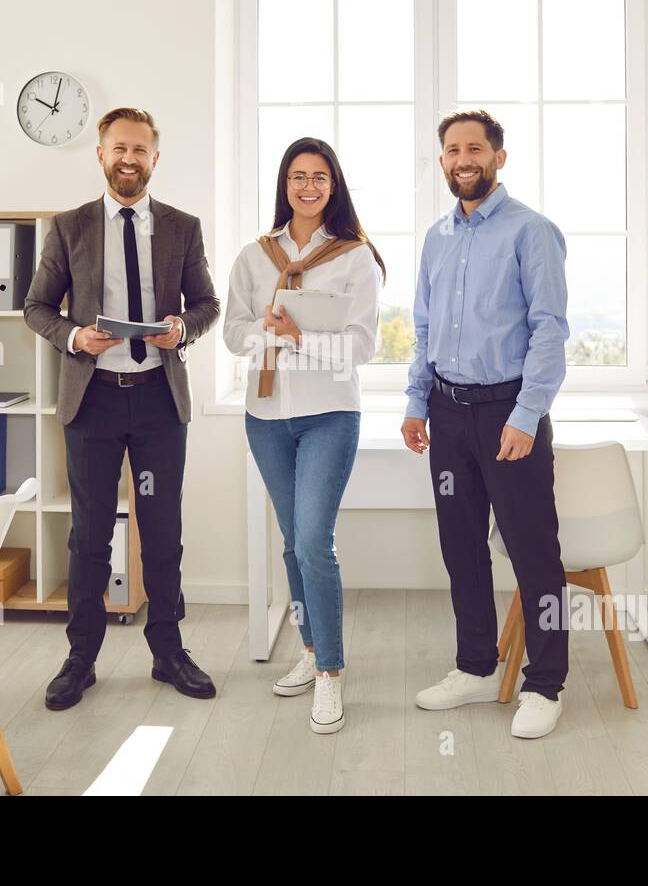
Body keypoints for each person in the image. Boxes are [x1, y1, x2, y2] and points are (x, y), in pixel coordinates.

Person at [23, 106, 221, 710]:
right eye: (119, 149)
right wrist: (76, 338)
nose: (129, 160)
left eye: (140, 150)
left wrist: (180, 329)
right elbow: (36, 308)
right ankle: (80, 657)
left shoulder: (182, 227)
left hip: (159, 400)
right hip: (94, 404)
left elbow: (207, 304)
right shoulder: (68, 227)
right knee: (88, 536)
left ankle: (168, 651)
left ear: (154, 159)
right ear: (101, 155)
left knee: (162, 532)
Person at [402, 110, 571, 739]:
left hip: (508, 414)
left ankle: (546, 683)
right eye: (451, 150)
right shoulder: (437, 238)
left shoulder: (533, 232)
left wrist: (527, 416)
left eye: (475, 148)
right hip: (447, 414)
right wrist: (417, 402)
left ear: (498, 157)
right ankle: (475, 666)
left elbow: (550, 333)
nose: (462, 158)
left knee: (533, 550)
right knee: (461, 545)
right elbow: (423, 329)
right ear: (442, 161)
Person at [223, 137, 384, 734]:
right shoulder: (254, 256)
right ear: (284, 185)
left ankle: (331, 675)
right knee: (291, 543)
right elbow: (233, 332)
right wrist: (263, 332)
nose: (308, 187)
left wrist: (296, 339)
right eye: (297, 176)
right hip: (266, 416)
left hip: (328, 415)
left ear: (333, 186)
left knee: (315, 542)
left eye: (319, 177)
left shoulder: (354, 257)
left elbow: (363, 346)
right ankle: (310, 651)